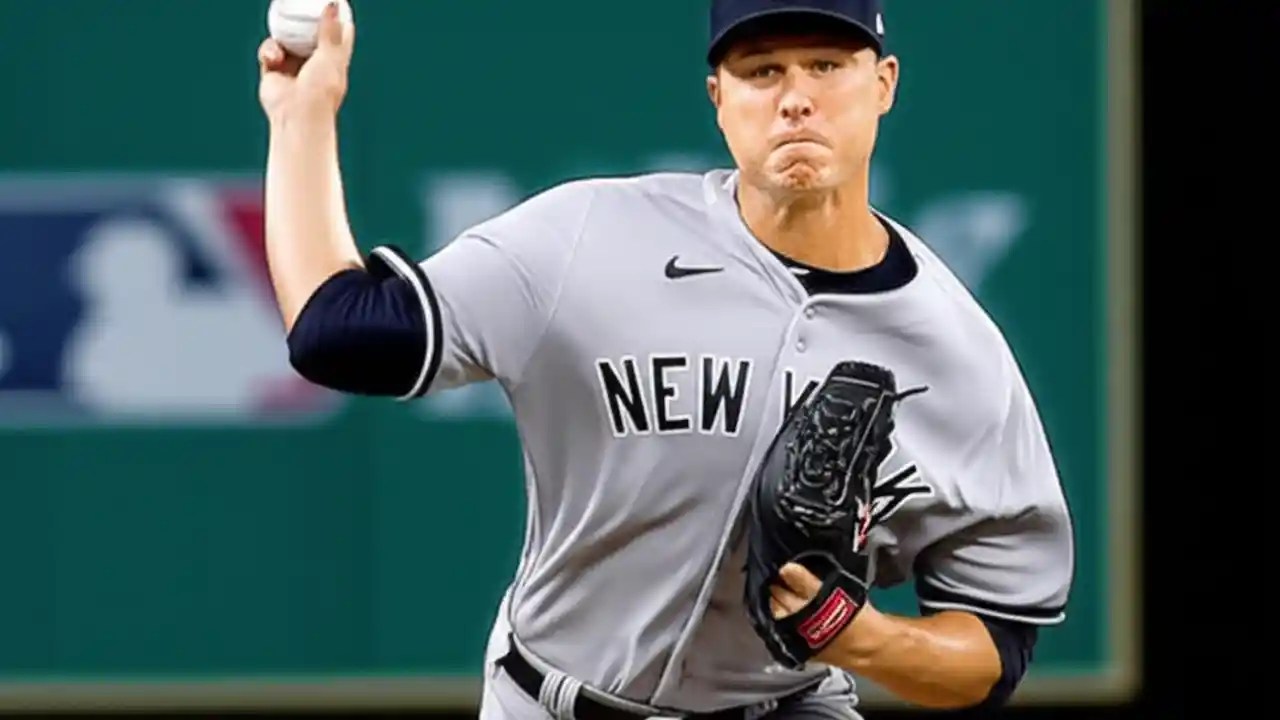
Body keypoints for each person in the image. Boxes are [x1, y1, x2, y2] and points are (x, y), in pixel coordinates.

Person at [255, 0, 1075, 717]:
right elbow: (342, 332)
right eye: (762, 71)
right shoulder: (590, 240)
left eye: (828, 64)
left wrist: (863, 639)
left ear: (885, 83)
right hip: (548, 698)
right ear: (719, 100)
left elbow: (996, 646)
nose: (796, 97)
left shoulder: (960, 354)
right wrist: (303, 117)